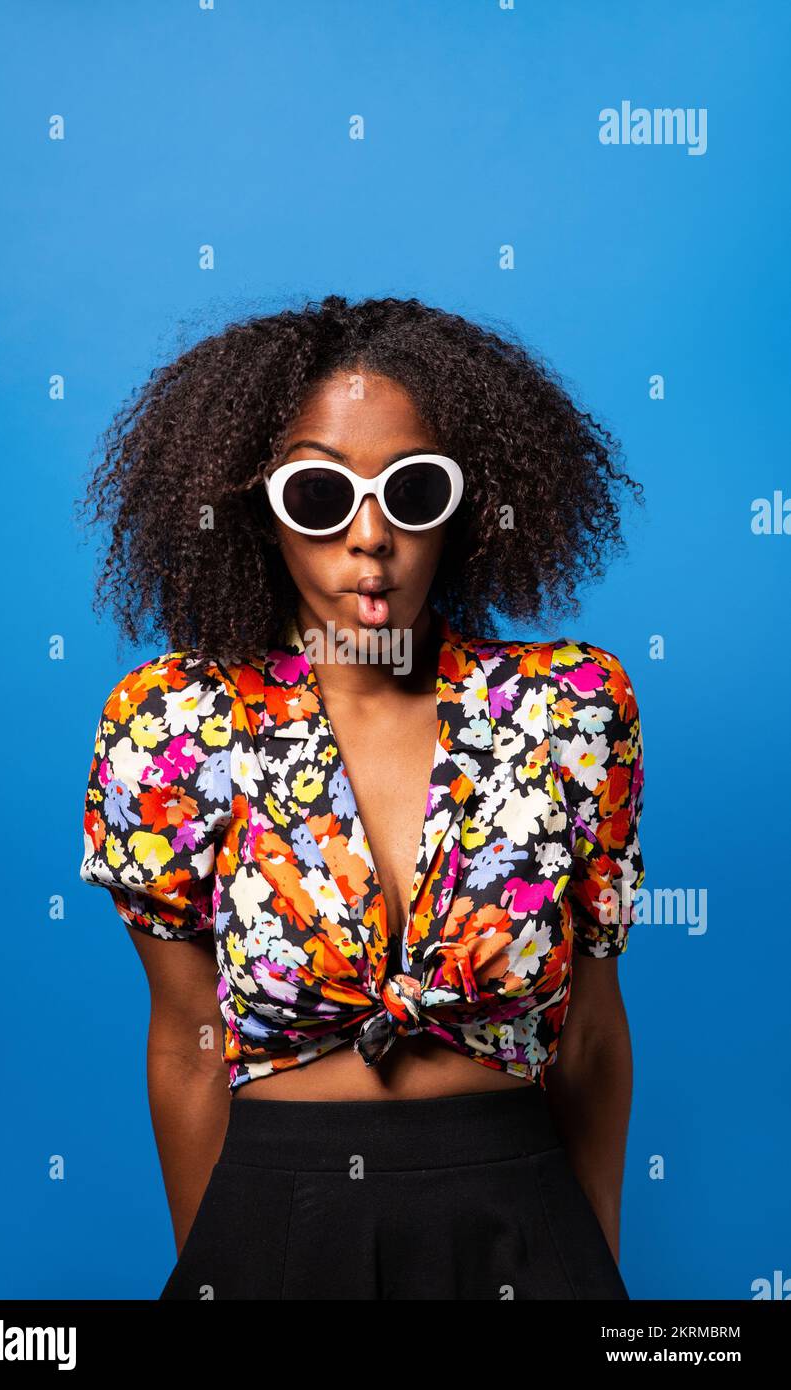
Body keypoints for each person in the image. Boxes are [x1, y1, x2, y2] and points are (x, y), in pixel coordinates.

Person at [77, 293, 646, 1300]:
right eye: (319, 495)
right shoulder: (172, 725)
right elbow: (185, 1040)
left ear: (466, 503)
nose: (369, 536)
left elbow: (591, 1032)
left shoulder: (570, 707)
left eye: (412, 490)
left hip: (522, 1229)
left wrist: (592, 1262)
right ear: (258, 509)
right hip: (274, 1228)